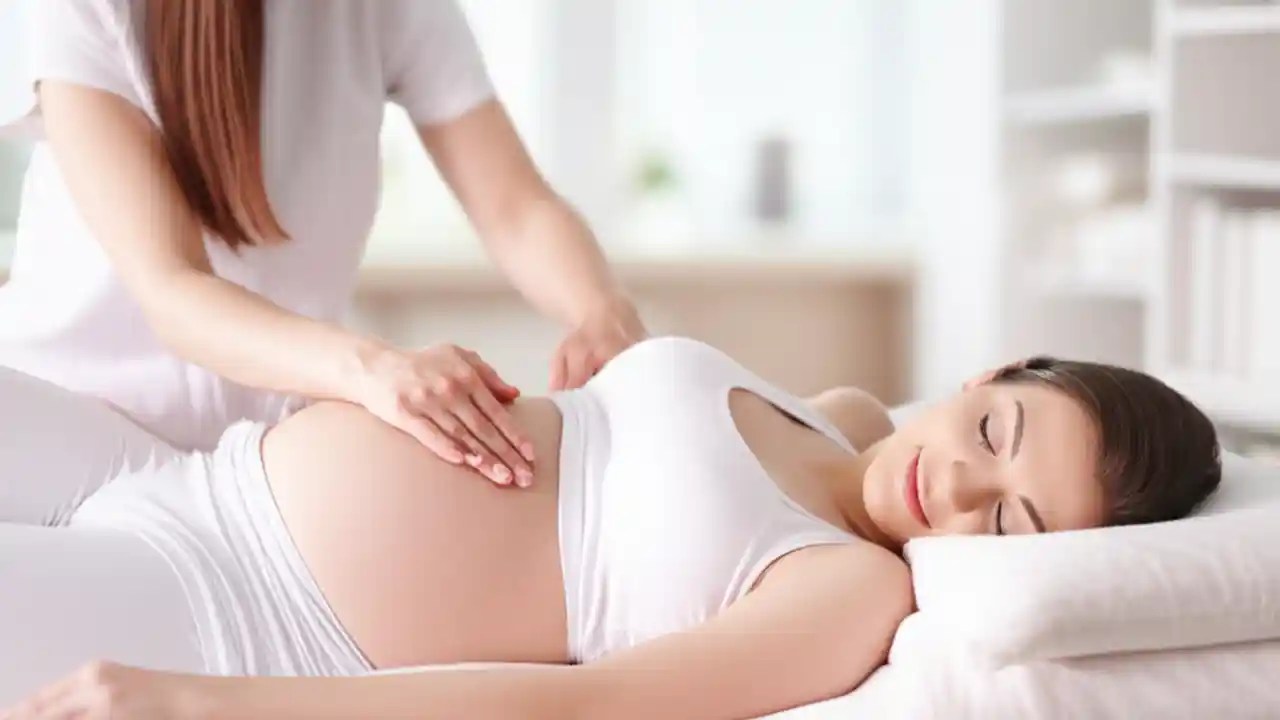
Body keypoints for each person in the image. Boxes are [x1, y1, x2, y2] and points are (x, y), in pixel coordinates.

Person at [0, 337, 1222, 719]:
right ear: (983, 378)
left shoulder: (848, 594)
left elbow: (578, 712)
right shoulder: (837, 414)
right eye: (995, 434)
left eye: (1009, 525)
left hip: (229, 615)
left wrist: (201, 704)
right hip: (182, 473)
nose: (954, 489)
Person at [0, 0, 645, 525]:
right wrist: (374, 369)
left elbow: (515, 206)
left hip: (252, 455)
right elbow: (174, 288)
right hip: (64, 431)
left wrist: (598, 307)